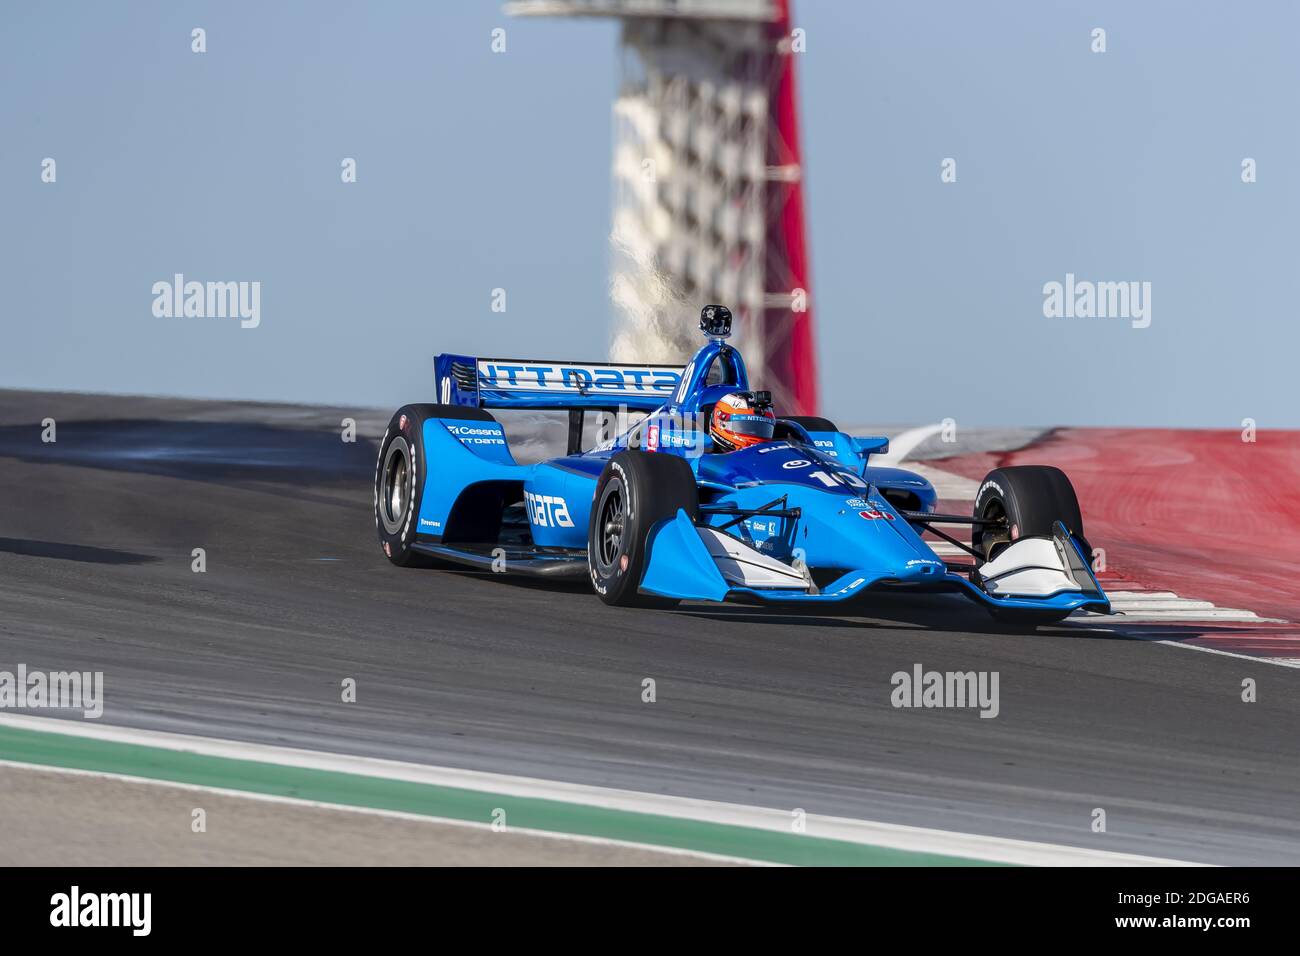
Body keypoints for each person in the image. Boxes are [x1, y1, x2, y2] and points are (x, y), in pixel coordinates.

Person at [708, 390, 776, 452]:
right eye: (745, 427)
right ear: (721, 423)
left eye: (760, 430)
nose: (754, 441)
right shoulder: (700, 449)